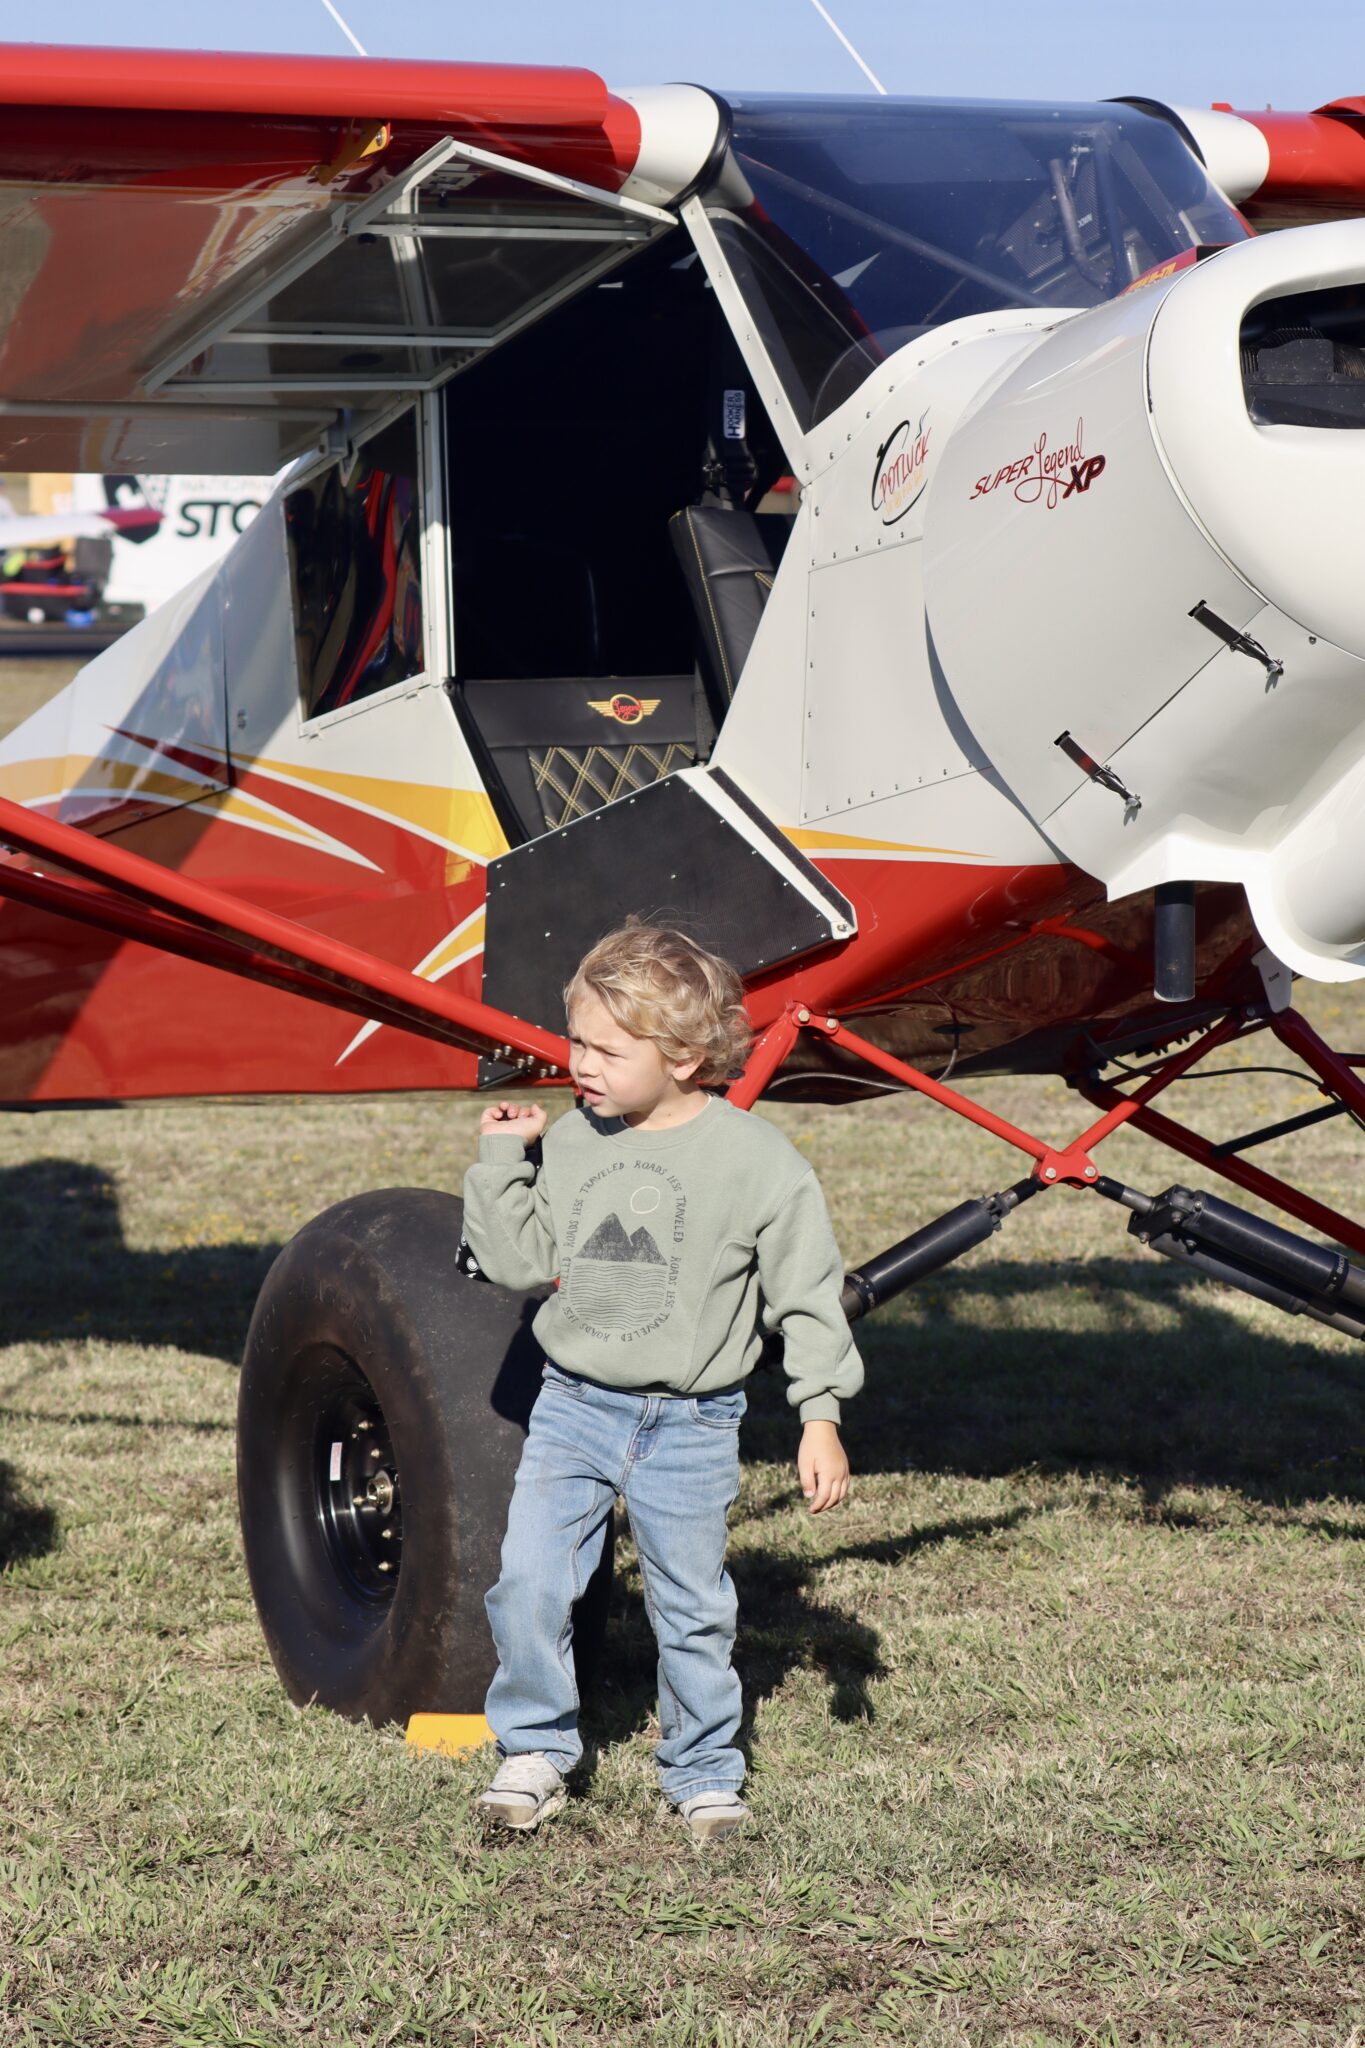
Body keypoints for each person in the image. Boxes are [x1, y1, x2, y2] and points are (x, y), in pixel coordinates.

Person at [461, 923, 863, 1840]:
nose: (579, 1065)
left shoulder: (760, 1162)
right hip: (571, 1405)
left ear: (684, 1058)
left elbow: (805, 1296)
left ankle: (703, 1773)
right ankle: (535, 1748)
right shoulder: (570, 1140)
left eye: (606, 1049)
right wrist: (501, 1164)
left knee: (691, 1607)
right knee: (527, 1577)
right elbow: (519, 1264)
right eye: (576, 1041)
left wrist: (820, 1415)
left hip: (693, 1424)